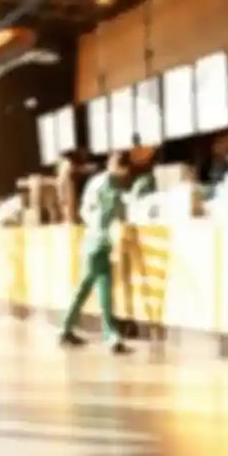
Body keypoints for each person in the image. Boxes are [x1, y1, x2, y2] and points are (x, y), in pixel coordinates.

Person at [60, 151, 154, 354]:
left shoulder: (100, 182)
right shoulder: (107, 186)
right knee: (100, 289)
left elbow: (89, 211)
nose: (124, 173)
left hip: (94, 242)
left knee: (89, 287)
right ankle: (109, 336)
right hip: (99, 243)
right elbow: (109, 212)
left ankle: (68, 329)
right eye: (123, 168)